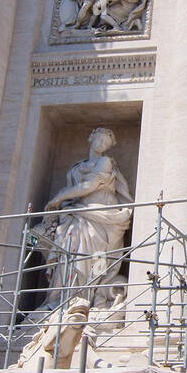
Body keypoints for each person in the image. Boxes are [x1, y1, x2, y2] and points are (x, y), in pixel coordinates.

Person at [37, 128, 134, 308]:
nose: (101, 145)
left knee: (87, 253)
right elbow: (76, 191)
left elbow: (89, 185)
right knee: (67, 250)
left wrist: (59, 197)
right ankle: (60, 300)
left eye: (105, 143)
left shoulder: (105, 162)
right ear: (91, 138)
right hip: (77, 212)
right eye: (99, 140)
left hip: (101, 214)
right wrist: (64, 203)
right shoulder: (77, 166)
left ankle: (83, 300)